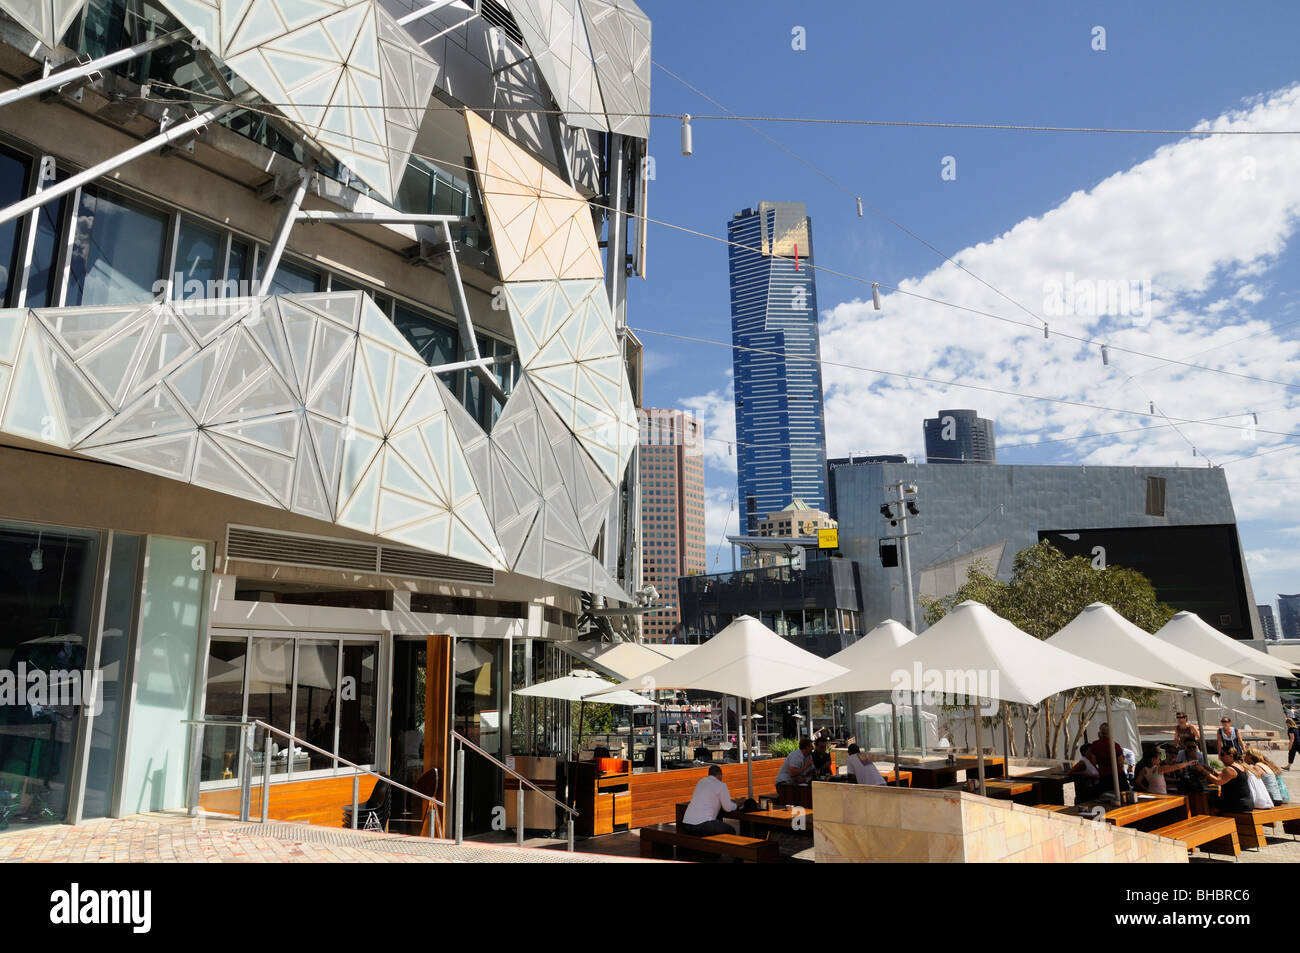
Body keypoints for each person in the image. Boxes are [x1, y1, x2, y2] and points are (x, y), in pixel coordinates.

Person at [679, 765, 737, 836]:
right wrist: (736, 805)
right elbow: (727, 808)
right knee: (731, 830)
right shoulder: (721, 785)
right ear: (719, 774)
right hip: (703, 824)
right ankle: (718, 847)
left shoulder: (701, 782)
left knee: (717, 824)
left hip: (687, 824)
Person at [1195, 748, 1254, 813]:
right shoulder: (1239, 766)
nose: (1220, 758)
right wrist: (1211, 770)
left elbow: (1218, 781)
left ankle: (1212, 821)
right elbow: (1223, 775)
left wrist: (1202, 771)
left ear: (1231, 756)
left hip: (1238, 804)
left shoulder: (1230, 769)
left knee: (1209, 802)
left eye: (1222, 755)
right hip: (1245, 803)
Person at [1087, 723, 1131, 792]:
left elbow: (1093, 762)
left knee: (1107, 797)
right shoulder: (1115, 745)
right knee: (1122, 796)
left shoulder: (1095, 745)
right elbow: (1121, 763)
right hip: (1117, 775)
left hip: (1103, 775)